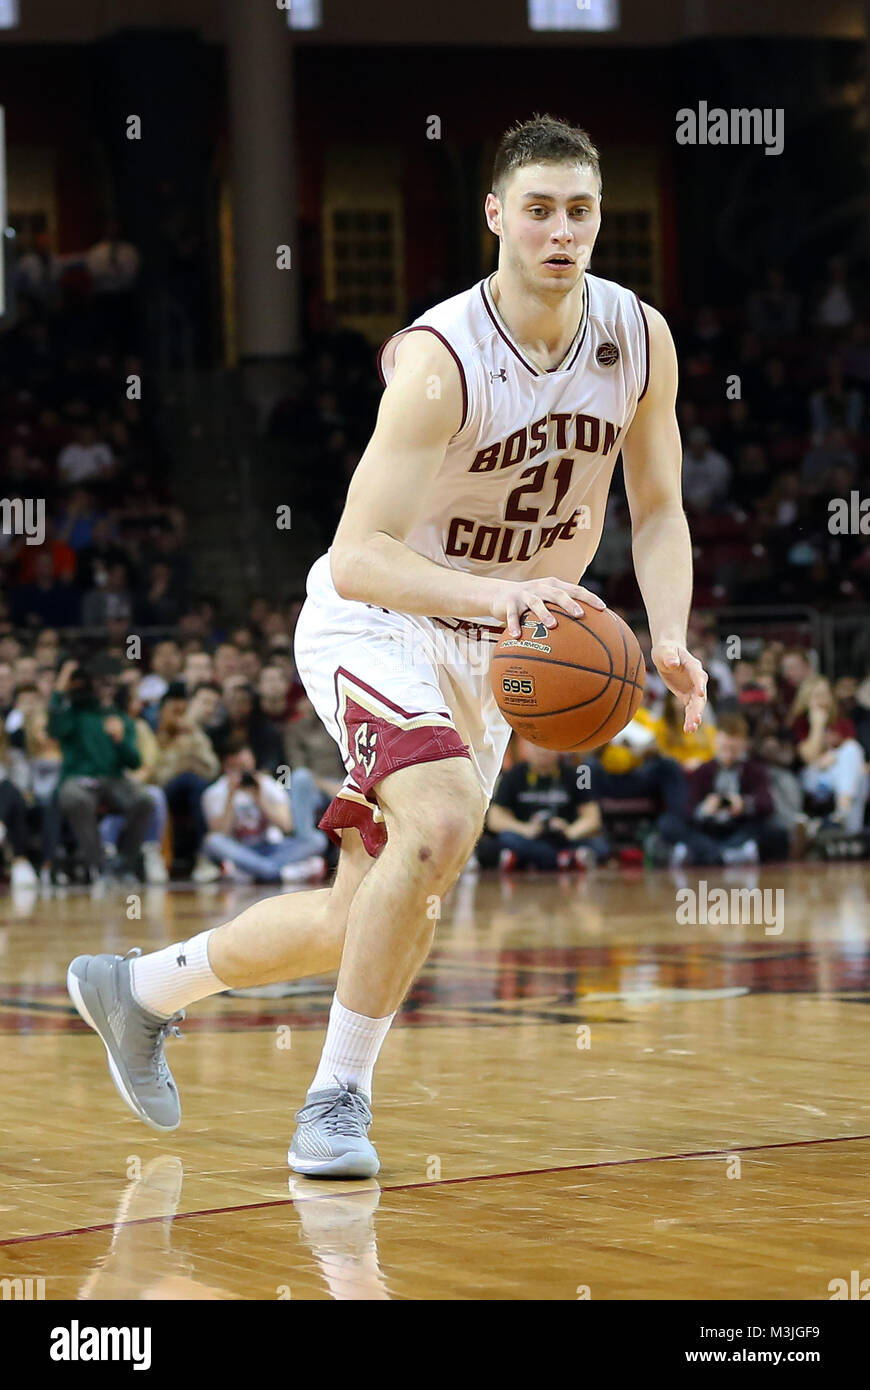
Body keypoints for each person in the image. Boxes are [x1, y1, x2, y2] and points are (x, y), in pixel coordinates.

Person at [66, 115, 707, 1175]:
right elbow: (359, 555)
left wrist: (672, 631)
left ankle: (136, 990)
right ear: (496, 215)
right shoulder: (441, 360)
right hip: (383, 620)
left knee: (362, 910)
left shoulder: (638, 339)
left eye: (581, 210)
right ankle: (335, 1104)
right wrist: (489, 598)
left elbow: (663, 504)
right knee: (444, 817)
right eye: (538, 208)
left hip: (501, 650)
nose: (562, 231)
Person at [49, 660, 152, 881]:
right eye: (98, 683)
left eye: (108, 684)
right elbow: (54, 727)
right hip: (78, 779)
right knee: (76, 798)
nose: (103, 689)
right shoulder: (75, 714)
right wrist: (62, 683)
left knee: (145, 800)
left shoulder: (122, 718)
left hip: (114, 779)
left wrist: (120, 740)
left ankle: (124, 861)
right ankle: (97, 865)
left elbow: (134, 762)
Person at [661, 714, 788, 866]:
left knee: (776, 827)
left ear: (744, 745)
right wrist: (704, 809)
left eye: (733, 750)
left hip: (740, 826)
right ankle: (729, 854)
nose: (728, 754)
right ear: (715, 743)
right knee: (668, 823)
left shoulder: (755, 770)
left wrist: (744, 804)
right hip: (707, 828)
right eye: (724, 748)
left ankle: (707, 854)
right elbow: (687, 807)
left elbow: (767, 802)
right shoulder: (702, 771)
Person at [200, 744, 327, 884]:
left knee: (317, 840)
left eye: (248, 768)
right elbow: (220, 833)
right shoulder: (215, 792)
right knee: (212, 842)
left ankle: (254, 872)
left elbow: (287, 826)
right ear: (227, 767)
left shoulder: (267, 784)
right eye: (240, 769)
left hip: (271, 848)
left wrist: (260, 799)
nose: (245, 774)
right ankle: (278, 872)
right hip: (241, 851)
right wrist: (231, 796)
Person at [486, 738, 607, 869]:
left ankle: (526, 859)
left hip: (563, 837)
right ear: (525, 748)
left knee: (600, 845)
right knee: (505, 839)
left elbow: (592, 818)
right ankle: (564, 859)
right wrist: (526, 829)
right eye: (535, 746)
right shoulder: (512, 775)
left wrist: (570, 831)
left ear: (558, 749)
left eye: (546, 746)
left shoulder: (578, 774)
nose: (542, 751)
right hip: (528, 836)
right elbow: (494, 819)